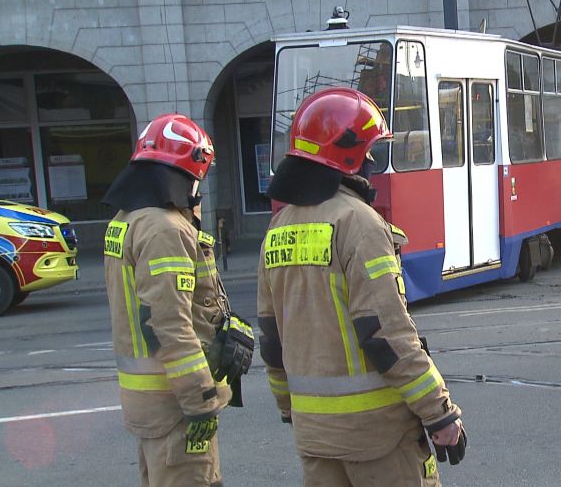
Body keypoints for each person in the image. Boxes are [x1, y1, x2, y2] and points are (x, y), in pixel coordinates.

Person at [257, 87, 467, 486]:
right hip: (378, 439)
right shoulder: (359, 223)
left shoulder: (277, 229)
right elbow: (386, 333)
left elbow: (271, 339)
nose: (371, 162)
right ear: (348, 155)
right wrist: (439, 412)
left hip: (314, 436)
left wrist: (289, 407)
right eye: (369, 151)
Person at [103, 113, 254, 487]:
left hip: (150, 400)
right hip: (175, 405)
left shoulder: (126, 220)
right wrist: (201, 399)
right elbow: (168, 322)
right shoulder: (164, 229)